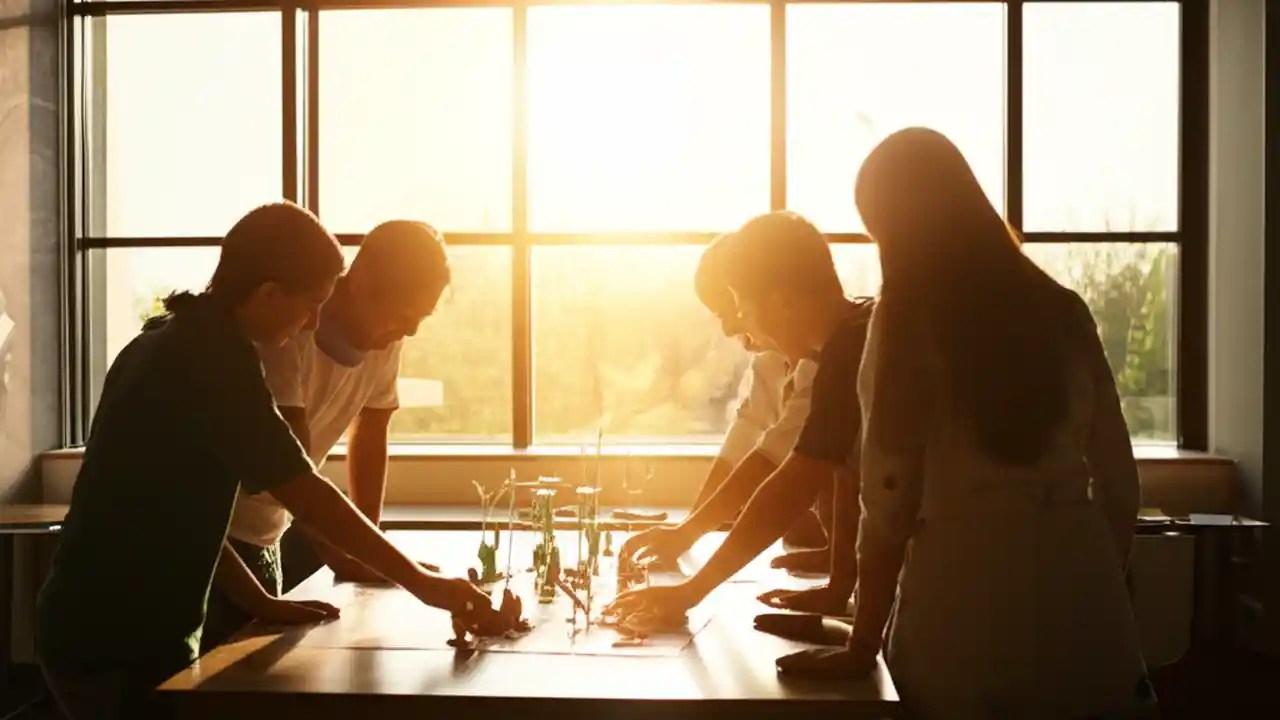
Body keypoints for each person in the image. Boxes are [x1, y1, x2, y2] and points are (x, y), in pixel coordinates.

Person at [36, 203, 502, 720]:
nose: (316, 322)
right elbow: (300, 485)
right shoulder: (213, 365)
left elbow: (183, 511)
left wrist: (260, 601)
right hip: (116, 637)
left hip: (103, 626)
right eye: (312, 304)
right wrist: (425, 584)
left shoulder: (172, 336)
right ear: (269, 293)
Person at [779, 127, 1152, 719]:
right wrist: (1092, 584)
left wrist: (861, 643)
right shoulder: (1062, 311)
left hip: (960, 596)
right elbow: (1121, 485)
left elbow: (887, 503)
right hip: (1080, 591)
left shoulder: (905, 322)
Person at [608, 211, 873, 620]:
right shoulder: (846, 341)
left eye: (741, 306)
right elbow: (838, 473)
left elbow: (792, 484)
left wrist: (693, 591)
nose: (739, 325)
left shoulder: (849, 354)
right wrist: (839, 588)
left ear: (780, 303)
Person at [202, 220, 450, 651]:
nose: (409, 331)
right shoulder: (284, 333)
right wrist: (388, 569)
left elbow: (371, 433)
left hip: (266, 536)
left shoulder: (385, 340)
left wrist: (367, 546)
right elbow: (291, 475)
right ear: (362, 282)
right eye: (403, 314)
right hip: (218, 536)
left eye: (421, 319)